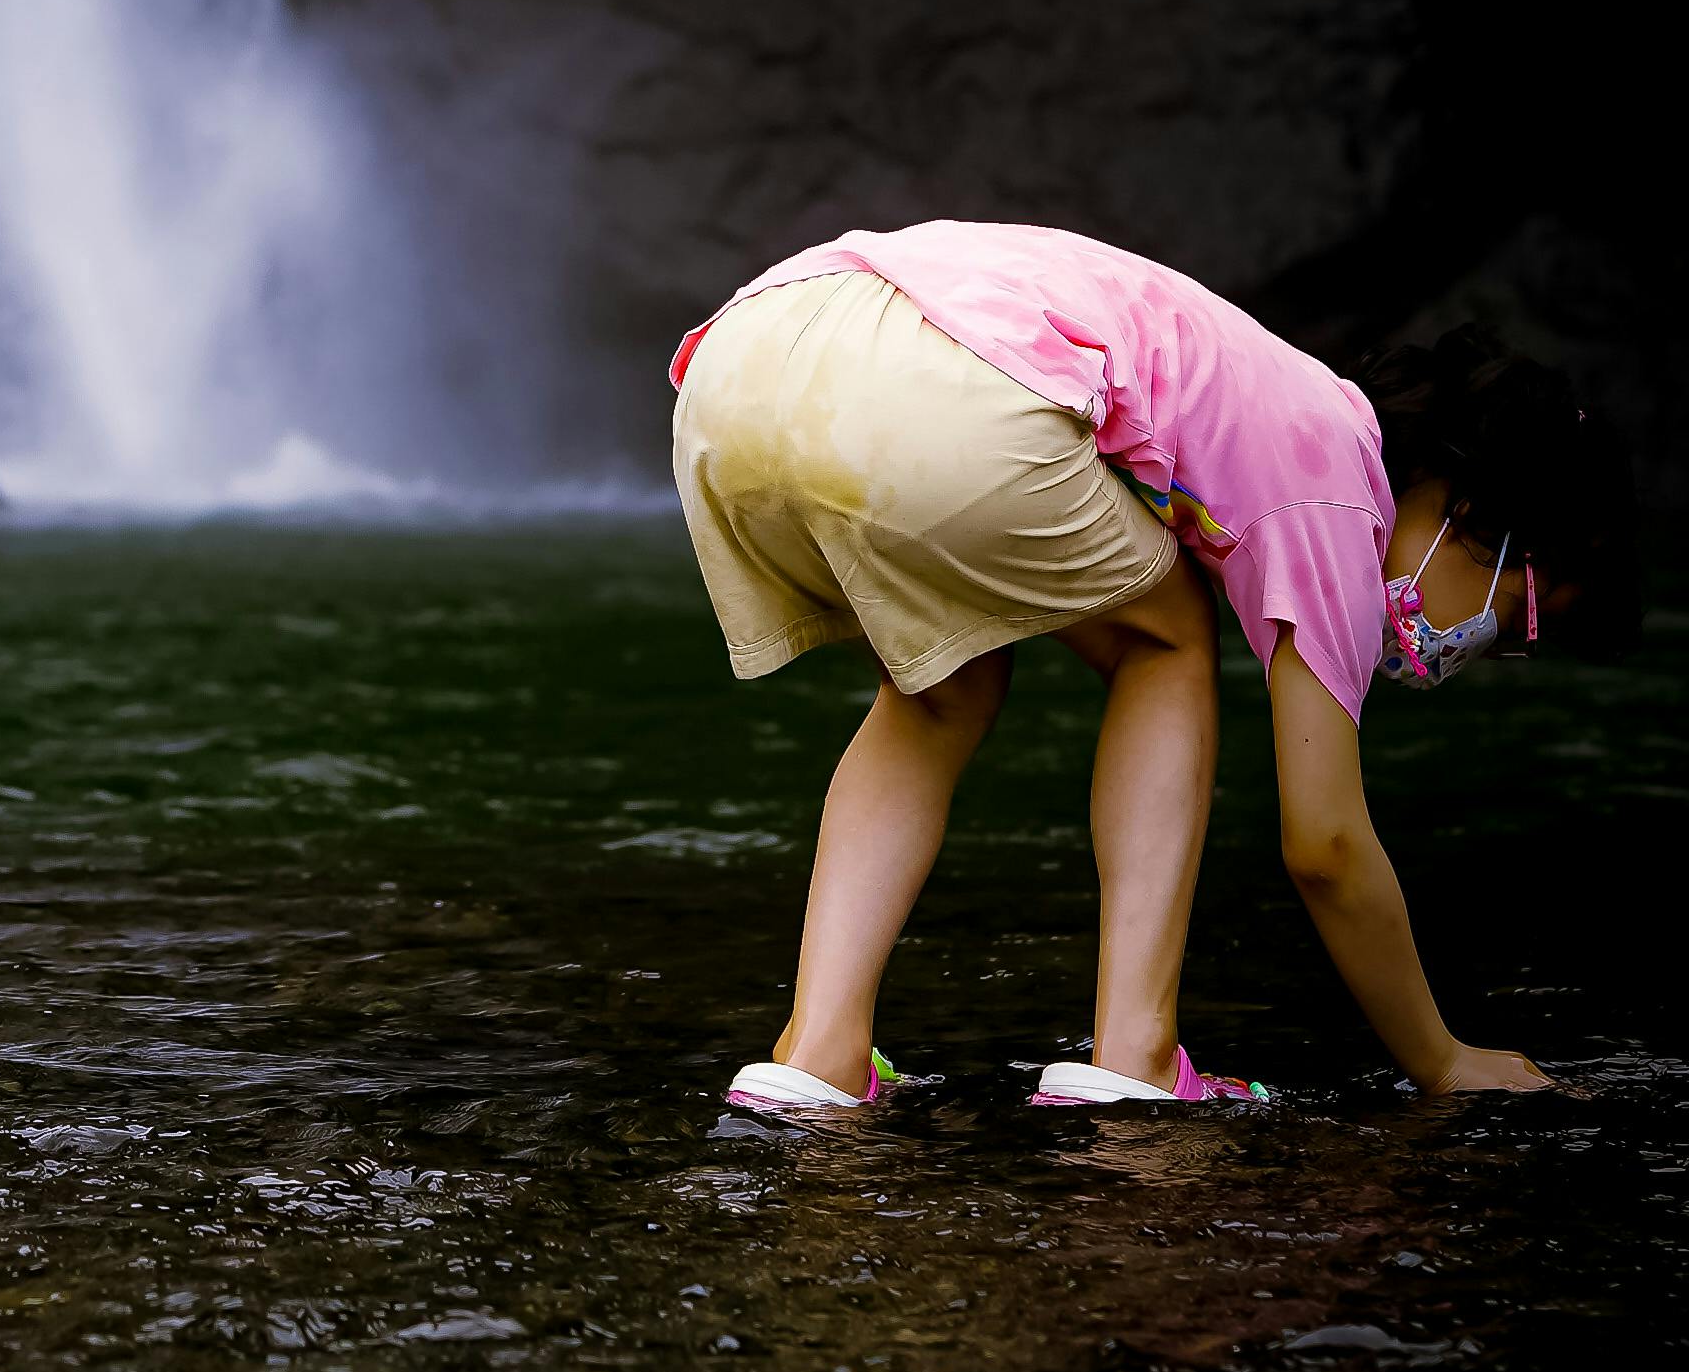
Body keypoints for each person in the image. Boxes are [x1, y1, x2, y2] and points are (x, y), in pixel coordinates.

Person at [667, 221, 1630, 1116]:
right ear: (1476, 514)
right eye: (1508, 618)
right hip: (935, 382)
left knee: (940, 691)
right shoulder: (1338, 494)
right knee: (1165, 636)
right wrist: (1443, 1059)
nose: (1476, 648)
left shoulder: (1270, 392)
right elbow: (1326, 847)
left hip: (745, 360)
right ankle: (1133, 1056)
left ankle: (817, 1052)